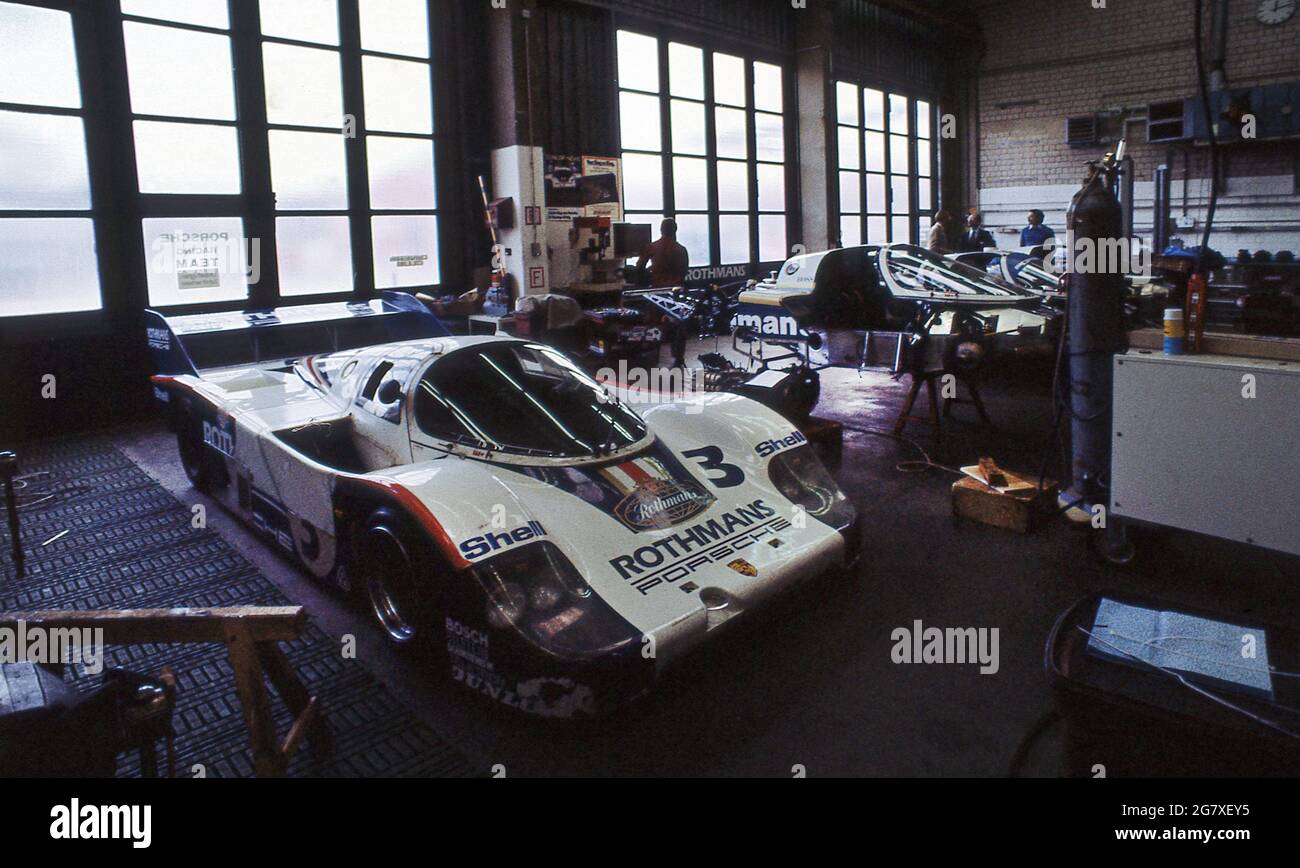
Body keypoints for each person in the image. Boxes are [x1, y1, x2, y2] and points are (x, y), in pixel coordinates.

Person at [636, 218, 690, 288]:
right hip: (676, 288)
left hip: (658, 287)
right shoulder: (682, 249)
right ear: (675, 230)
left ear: (661, 230)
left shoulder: (652, 247)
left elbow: (639, 267)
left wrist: (652, 269)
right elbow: (684, 271)